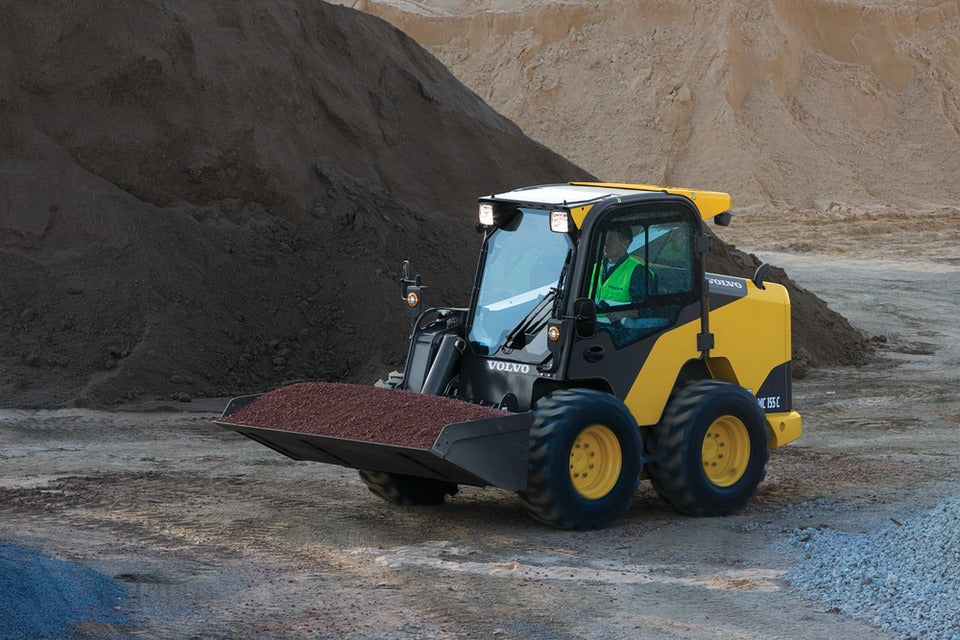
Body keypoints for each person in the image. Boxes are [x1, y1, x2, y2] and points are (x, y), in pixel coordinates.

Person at [594, 227, 650, 322]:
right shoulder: (594, 267)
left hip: (619, 329)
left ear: (625, 244)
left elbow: (646, 309)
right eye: (604, 238)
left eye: (610, 239)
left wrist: (622, 314)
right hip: (591, 324)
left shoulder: (638, 271)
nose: (605, 243)